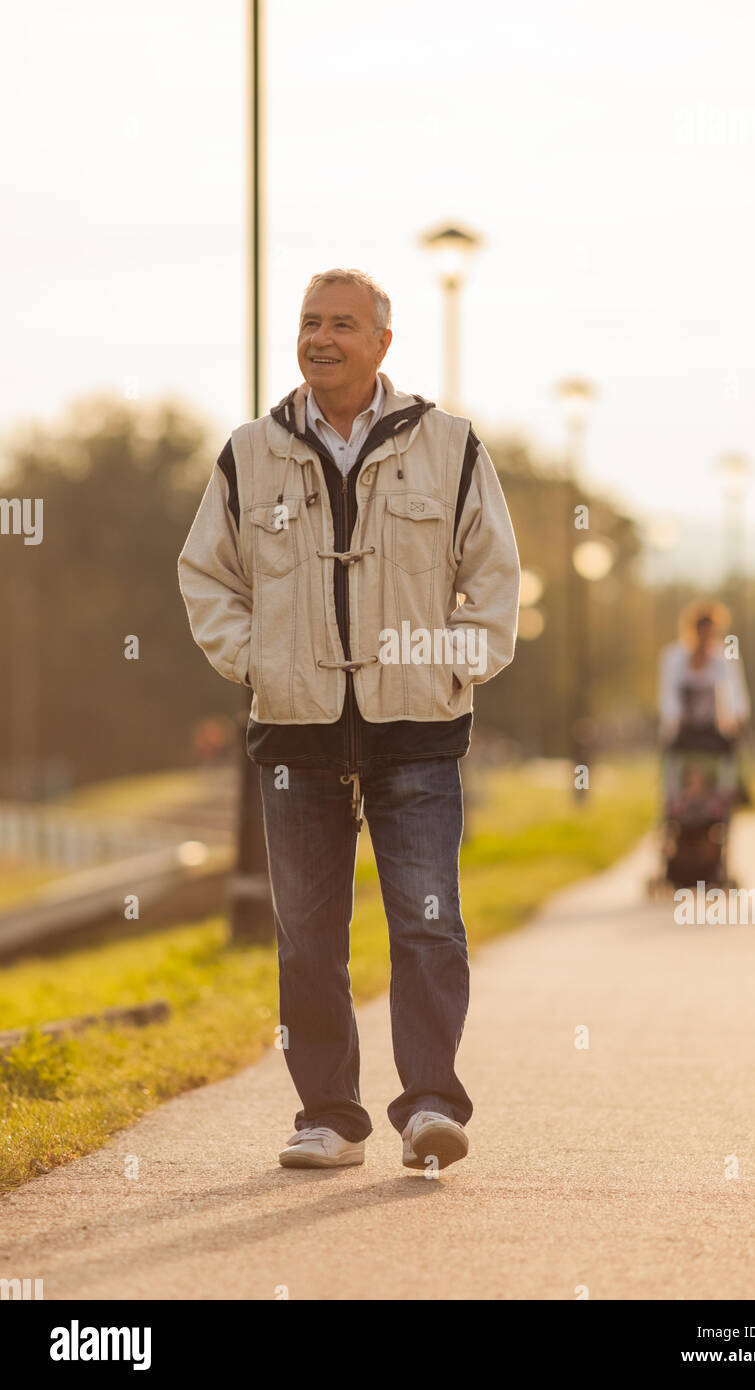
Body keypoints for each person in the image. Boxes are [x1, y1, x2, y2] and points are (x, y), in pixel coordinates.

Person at [178, 268, 521, 1171]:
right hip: (295, 731)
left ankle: (431, 1106)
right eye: (307, 322)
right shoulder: (250, 451)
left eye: (341, 324)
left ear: (382, 342)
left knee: (427, 922)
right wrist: (258, 661)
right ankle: (327, 1116)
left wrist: (457, 663)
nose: (320, 337)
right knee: (308, 936)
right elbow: (205, 575)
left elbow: (492, 577)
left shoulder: (450, 445)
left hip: (417, 727)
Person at [657, 599, 750, 792]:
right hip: (684, 727)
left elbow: (735, 694)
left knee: (732, 750)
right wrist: (675, 719)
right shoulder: (673, 657)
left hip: (715, 727)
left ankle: (728, 794)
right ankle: (670, 798)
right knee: (669, 751)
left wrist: (734, 719)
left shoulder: (725, 659)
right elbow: (667, 696)